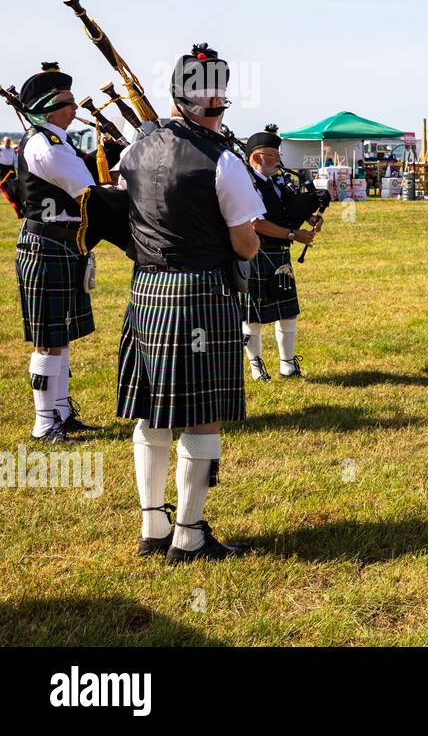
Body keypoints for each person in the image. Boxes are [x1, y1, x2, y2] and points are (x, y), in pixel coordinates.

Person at [117, 43, 265, 563]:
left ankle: (151, 527)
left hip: (145, 291)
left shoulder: (133, 151)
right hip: (200, 292)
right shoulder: (223, 160)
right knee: (202, 416)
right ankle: (189, 534)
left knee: (153, 414)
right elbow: (247, 242)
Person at [12, 63, 103, 441]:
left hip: (62, 244)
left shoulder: (56, 140)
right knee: (48, 339)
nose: (75, 109)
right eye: (67, 102)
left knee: (60, 335)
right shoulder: (44, 145)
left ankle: (62, 411)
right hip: (46, 244)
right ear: (49, 107)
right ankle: (44, 422)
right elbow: (87, 191)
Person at [240, 126, 324, 381]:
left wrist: (309, 217)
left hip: (279, 255)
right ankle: (256, 367)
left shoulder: (277, 181)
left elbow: (288, 207)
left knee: (287, 310)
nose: (279, 159)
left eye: (278, 153)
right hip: (256, 253)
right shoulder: (247, 183)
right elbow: (257, 223)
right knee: (252, 314)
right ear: (256, 157)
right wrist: (293, 235)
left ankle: (287, 365)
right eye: (272, 154)